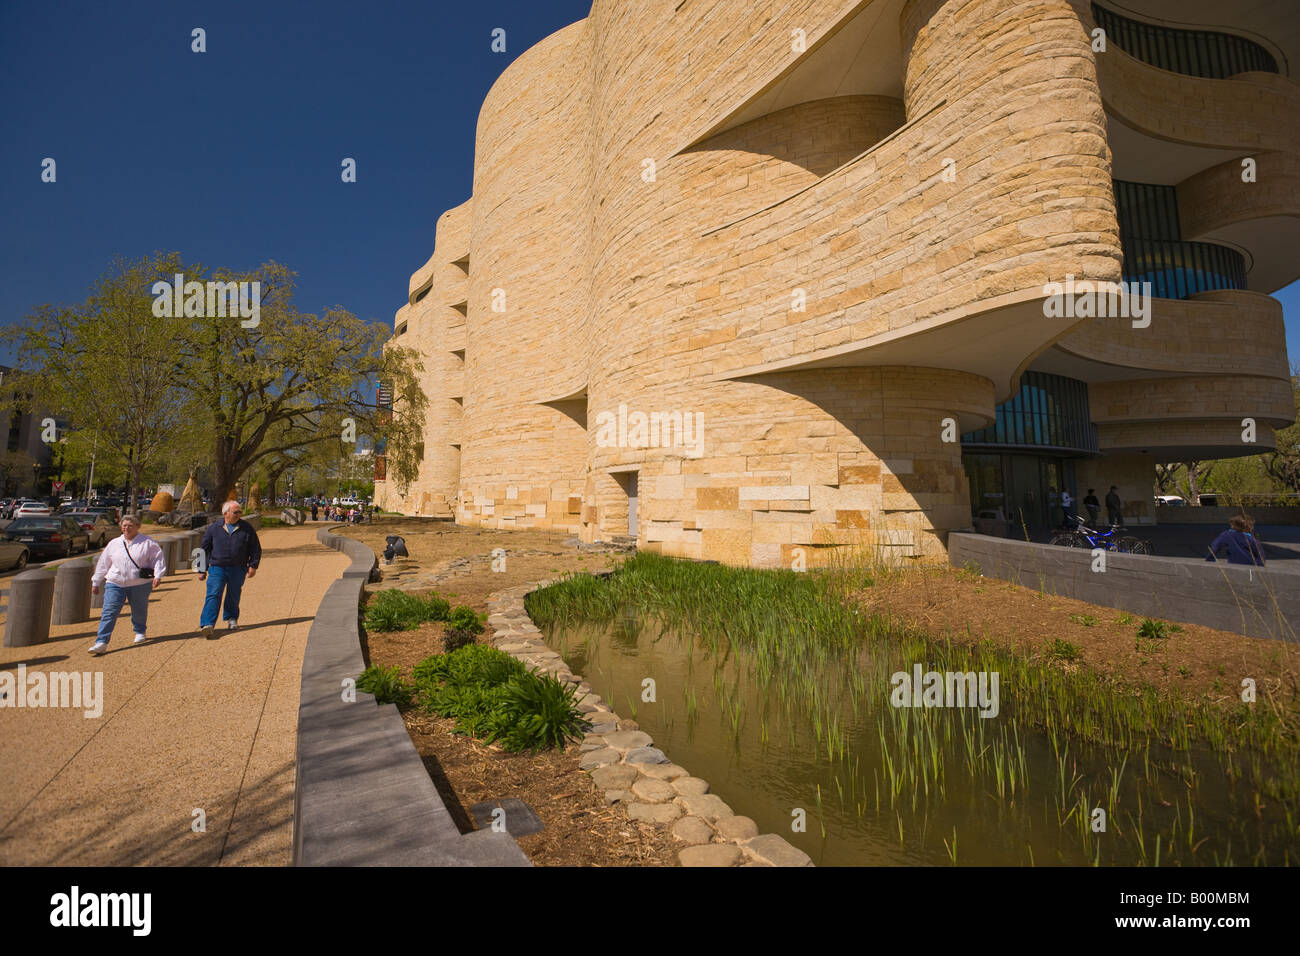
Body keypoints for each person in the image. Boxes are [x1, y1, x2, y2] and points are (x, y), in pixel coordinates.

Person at [88, 514, 167, 655]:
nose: (126, 528)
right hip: (115, 582)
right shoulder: (114, 543)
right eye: (124, 525)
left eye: (130, 525)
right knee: (109, 612)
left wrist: (158, 575)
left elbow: (158, 559)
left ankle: (139, 630)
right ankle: (101, 642)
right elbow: (103, 563)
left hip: (139, 583)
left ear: (137, 527)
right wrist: (96, 581)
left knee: (138, 609)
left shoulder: (148, 543)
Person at [197, 500, 262, 638]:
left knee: (233, 595)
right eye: (235, 512)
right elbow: (203, 549)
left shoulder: (246, 528)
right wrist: (201, 569)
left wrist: (253, 565)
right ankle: (207, 624)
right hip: (217, 568)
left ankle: (231, 618)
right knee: (213, 594)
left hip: (238, 568)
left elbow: (255, 548)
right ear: (225, 513)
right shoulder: (214, 528)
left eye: (240, 512)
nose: (239, 514)